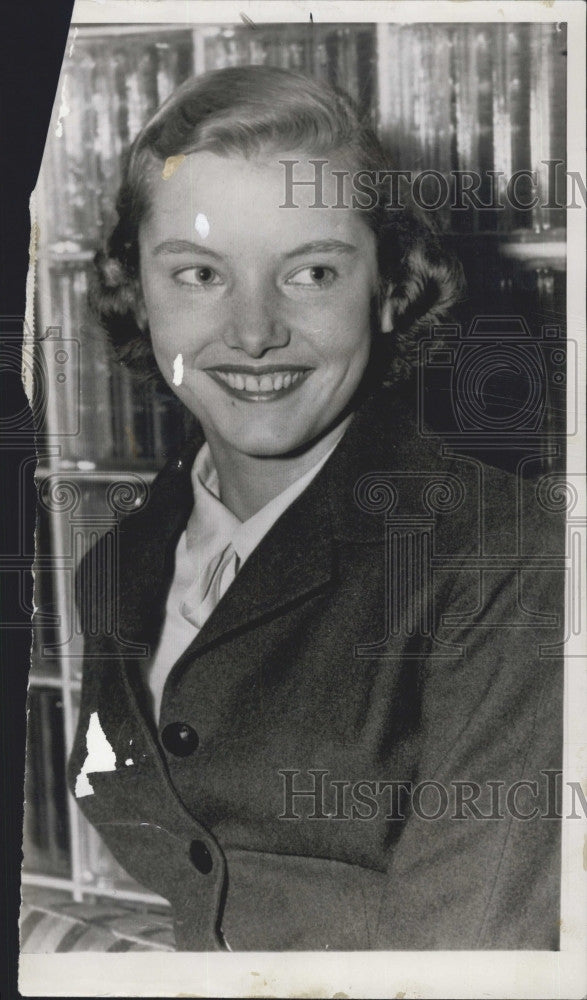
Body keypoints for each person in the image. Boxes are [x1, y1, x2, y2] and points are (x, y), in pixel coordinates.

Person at [67, 65, 564, 951]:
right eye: (198, 274)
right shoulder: (120, 563)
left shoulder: (508, 560)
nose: (254, 332)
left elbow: (468, 957)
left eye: (312, 272)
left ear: (390, 289)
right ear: (136, 293)